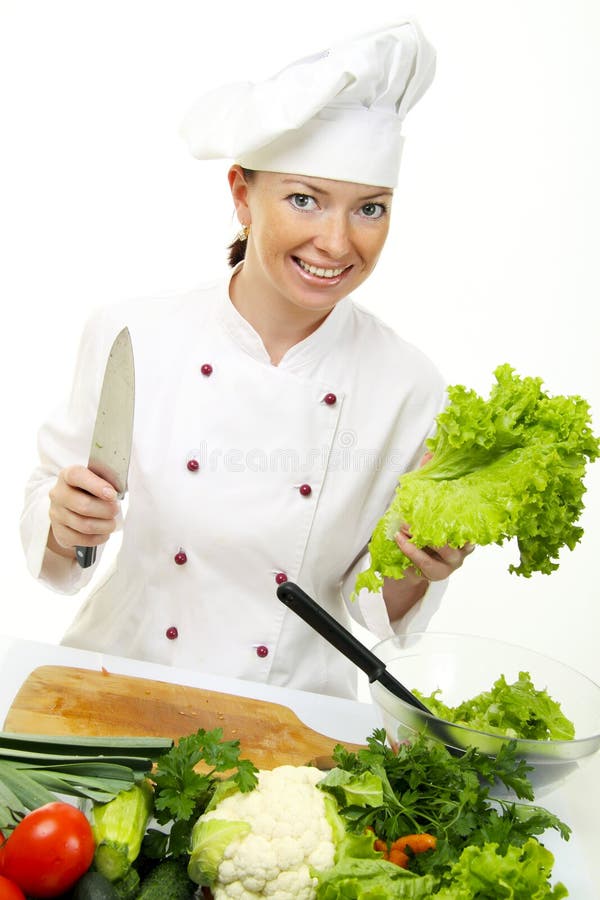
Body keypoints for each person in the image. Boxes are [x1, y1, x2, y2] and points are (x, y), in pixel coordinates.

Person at [20, 21, 473, 699]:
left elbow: (369, 606)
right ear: (240, 194)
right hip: (116, 685)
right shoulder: (134, 333)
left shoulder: (408, 384)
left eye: (370, 209)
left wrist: (422, 566)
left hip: (290, 712)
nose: (337, 242)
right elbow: (55, 517)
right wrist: (63, 520)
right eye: (304, 199)